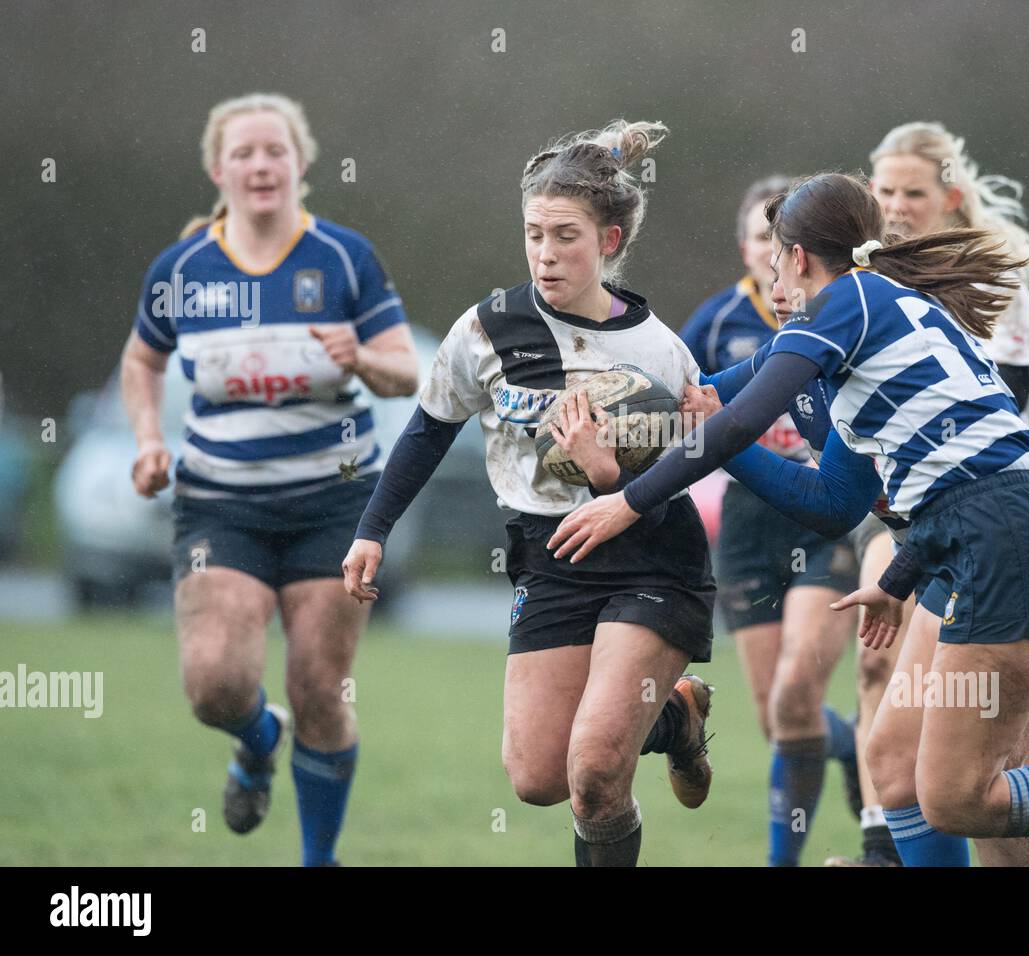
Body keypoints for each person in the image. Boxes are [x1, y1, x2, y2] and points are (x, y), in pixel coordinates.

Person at [549, 171, 1029, 867]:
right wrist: (603, 419)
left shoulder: (848, 302)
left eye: (776, 251)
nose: (769, 269)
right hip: (974, 540)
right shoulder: (842, 341)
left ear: (795, 258)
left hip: (1014, 536)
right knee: (896, 770)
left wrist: (628, 501)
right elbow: (817, 492)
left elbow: (731, 425)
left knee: (964, 802)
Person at [340, 120, 716, 867]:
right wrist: (372, 529)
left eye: (566, 236)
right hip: (546, 560)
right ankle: (675, 719)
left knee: (595, 777)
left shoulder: (662, 354)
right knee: (539, 779)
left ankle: (643, 730)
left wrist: (613, 468)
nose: (546, 254)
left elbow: (686, 482)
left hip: (651, 562)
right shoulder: (488, 329)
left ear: (609, 242)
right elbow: (427, 431)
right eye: (534, 234)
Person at [828, 121, 1029, 867]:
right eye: (885, 191)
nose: (898, 205)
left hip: (1015, 530)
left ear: (951, 196)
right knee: (920, 760)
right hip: (940, 540)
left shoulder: (991, 293)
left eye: (914, 192)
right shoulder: (869, 300)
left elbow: (964, 444)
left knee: (987, 786)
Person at [122, 92, 419, 866]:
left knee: (322, 688)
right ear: (218, 169)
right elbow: (141, 360)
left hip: (338, 501)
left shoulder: (345, 257)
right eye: (245, 152)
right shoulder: (182, 269)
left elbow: (404, 373)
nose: (261, 164)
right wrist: (149, 440)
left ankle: (318, 859)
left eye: (275, 150)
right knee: (214, 685)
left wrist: (360, 358)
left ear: (301, 163)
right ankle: (258, 740)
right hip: (222, 507)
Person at [678, 175, 861, 866]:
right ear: (743, 246)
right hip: (751, 521)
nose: (770, 252)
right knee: (775, 718)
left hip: (826, 517)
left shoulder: (835, 314)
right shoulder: (719, 321)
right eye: (759, 238)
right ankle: (853, 745)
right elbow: (678, 401)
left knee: (794, 696)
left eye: (781, 240)